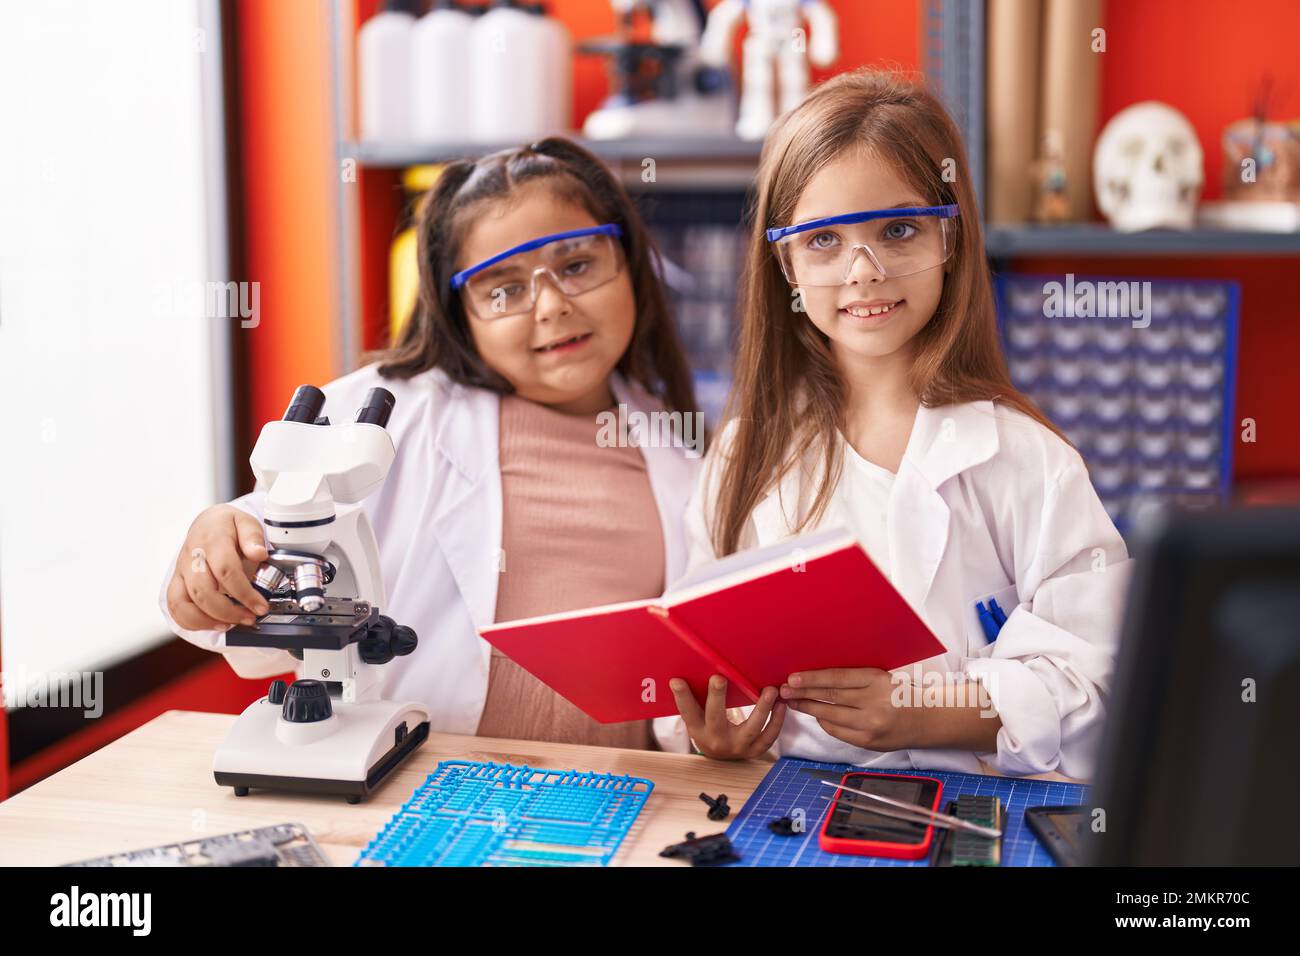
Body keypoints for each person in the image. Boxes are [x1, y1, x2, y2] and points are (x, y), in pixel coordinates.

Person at [160, 138, 702, 752]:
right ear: (457, 310)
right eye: (502, 289)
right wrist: (213, 554)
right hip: (431, 789)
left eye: (577, 266)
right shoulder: (387, 416)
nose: (552, 305)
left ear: (628, 263)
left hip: (627, 802)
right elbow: (271, 534)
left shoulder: (683, 451)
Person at [665, 70, 1133, 778]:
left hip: (982, 812)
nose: (865, 269)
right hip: (790, 812)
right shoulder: (743, 459)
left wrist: (920, 712)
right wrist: (714, 734)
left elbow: (1103, 684)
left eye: (900, 229)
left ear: (953, 240)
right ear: (784, 262)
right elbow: (690, 675)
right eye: (823, 240)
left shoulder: (1027, 459)